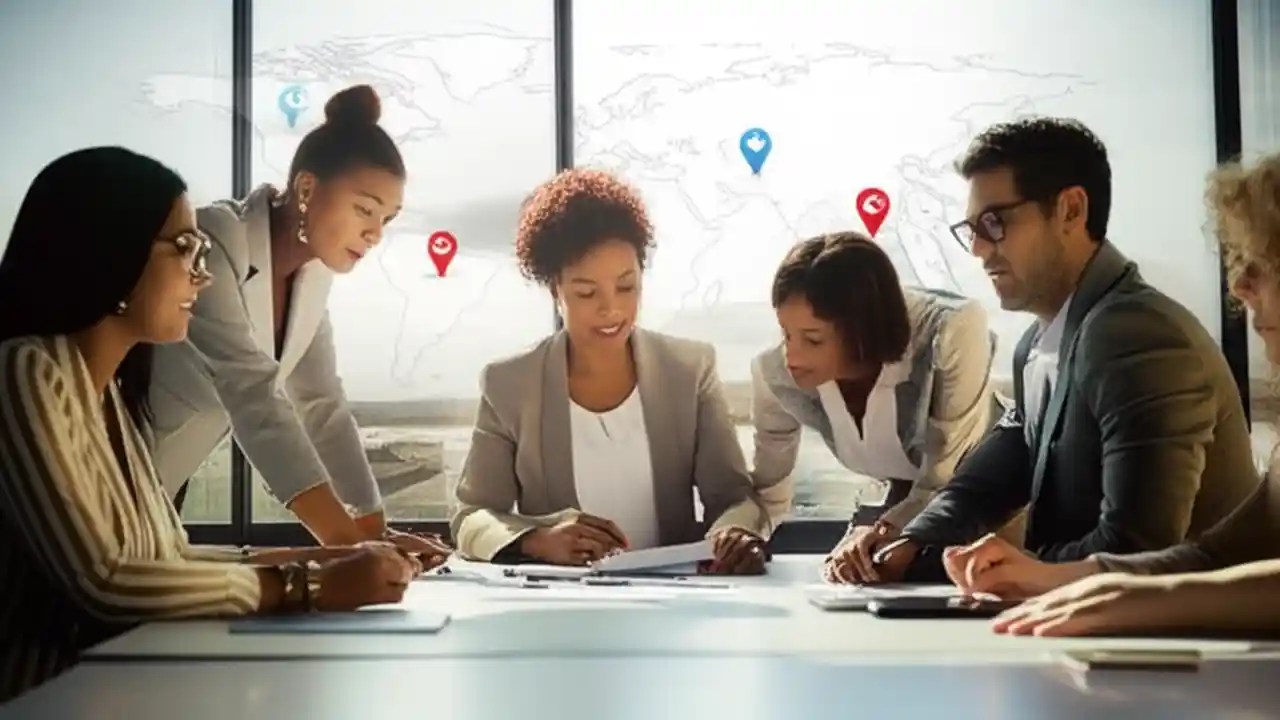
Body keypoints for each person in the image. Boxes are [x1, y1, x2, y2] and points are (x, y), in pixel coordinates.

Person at [0, 147, 420, 702]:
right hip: (42, 692)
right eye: (184, 248)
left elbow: (169, 557)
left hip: (105, 690)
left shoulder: (114, 406)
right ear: (111, 249)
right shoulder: (27, 370)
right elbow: (106, 580)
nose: (201, 274)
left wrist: (335, 553)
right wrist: (311, 584)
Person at [855, 117, 1258, 584]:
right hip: (1101, 626)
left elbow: (1138, 547)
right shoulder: (1038, 345)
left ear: (1070, 210)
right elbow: (987, 483)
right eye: (973, 229)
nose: (980, 250)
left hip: (1189, 640)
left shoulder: (1136, 334)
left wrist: (1001, 568)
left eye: (995, 222)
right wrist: (908, 541)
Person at [956, 152, 1280, 637]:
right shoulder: (1038, 346)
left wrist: (1149, 598)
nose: (1239, 284)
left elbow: (1157, 549)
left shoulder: (1131, 329)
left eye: (1264, 262)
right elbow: (1215, 555)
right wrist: (1049, 577)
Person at [147, 84, 447, 557]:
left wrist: (374, 533)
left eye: (386, 219)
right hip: (102, 464)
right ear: (307, 188)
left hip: (160, 491)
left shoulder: (314, 278)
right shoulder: (216, 238)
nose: (374, 233)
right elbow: (254, 395)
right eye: (364, 209)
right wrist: (348, 549)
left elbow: (322, 405)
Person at [451, 168, 773, 573]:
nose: (611, 309)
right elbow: (472, 516)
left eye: (627, 286)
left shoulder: (689, 370)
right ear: (555, 290)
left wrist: (733, 534)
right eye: (586, 292)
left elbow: (734, 498)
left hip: (677, 597)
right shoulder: (510, 385)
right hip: (564, 604)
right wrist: (537, 540)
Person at [748, 231, 1013, 583]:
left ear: (862, 331)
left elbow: (943, 477)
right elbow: (768, 487)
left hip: (995, 507)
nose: (792, 356)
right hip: (908, 507)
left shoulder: (951, 331)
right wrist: (744, 537)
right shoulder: (778, 373)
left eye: (812, 339)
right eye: (786, 334)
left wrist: (882, 530)